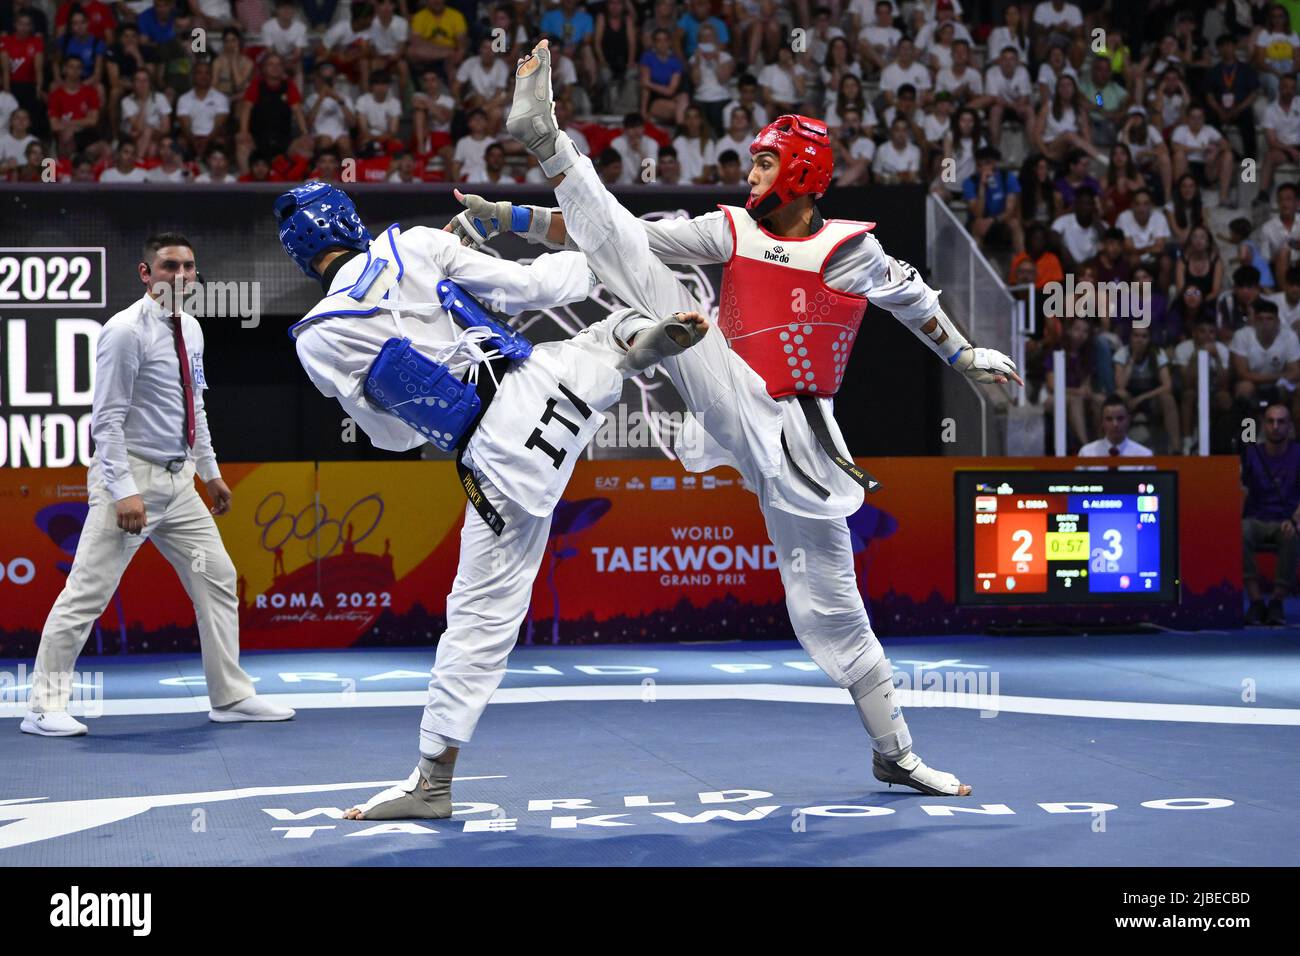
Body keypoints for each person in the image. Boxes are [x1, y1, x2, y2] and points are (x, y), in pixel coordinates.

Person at [477, 40, 1023, 805]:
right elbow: (627, 242)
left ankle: (895, 753)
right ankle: (547, 139)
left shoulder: (849, 248)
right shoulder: (730, 228)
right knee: (656, 282)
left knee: (832, 609)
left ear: (800, 173)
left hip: (803, 439)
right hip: (728, 387)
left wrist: (965, 357)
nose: (750, 174)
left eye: (765, 164)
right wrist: (516, 218)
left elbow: (915, 298)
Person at [274, 181, 705, 818]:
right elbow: (541, 288)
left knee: (479, 619)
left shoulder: (316, 336)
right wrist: (617, 253)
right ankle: (633, 342)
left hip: (502, 455)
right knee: (604, 335)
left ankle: (432, 781)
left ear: (300, 254)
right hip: (552, 386)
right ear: (349, 221)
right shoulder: (416, 244)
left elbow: (391, 439)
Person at [21, 234, 294, 737]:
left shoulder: (191, 329)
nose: (181, 275)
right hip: (132, 478)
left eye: (189, 266)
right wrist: (122, 489)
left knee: (216, 580)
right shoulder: (124, 331)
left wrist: (209, 473)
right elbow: (105, 420)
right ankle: (42, 706)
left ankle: (230, 697)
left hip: (180, 481)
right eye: (170, 267)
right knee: (87, 593)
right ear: (147, 274)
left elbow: (196, 408)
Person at [1242, 402, 1300, 624]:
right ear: (1263, 425)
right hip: (1256, 518)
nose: (1275, 426)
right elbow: (1242, 488)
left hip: (1285, 519)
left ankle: (1276, 602)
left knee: (1291, 535)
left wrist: (1295, 519)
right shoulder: (1251, 453)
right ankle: (1256, 602)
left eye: (1281, 421)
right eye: (1270, 421)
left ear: (1290, 426)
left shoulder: (1298, 453)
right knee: (1240, 531)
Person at [1078, 394, 1155, 456]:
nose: (1115, 424)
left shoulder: (1144, 455)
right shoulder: (1086, 453)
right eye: (1109, 419)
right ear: (1102, 422)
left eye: (1120, 418)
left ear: (1128, 420)